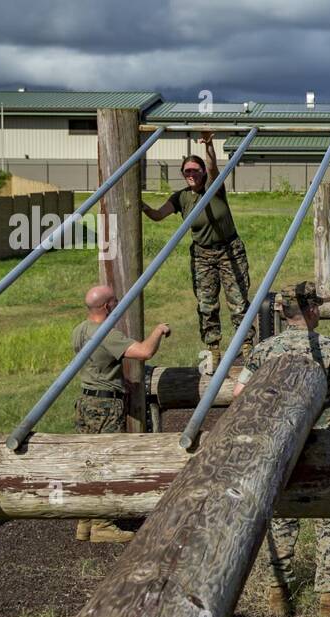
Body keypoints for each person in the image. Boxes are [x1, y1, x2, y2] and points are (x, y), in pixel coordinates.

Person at [236, 282, 330, 617]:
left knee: (281, 513)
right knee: (329, 516)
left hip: (279, 442)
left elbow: (239, 394)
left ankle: (278, 592)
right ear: (310, 311)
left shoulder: (265, 350)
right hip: (323, 442)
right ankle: (328, 599)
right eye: (316, 307)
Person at [142, 131, 252, 364]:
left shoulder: (214, 187)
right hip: (202, 254)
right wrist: (139, 205)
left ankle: (246, 345)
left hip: (229, 250)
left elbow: (213, 167)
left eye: (195, 170)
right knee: (206, 303)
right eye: (187, 171)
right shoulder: (180, 198)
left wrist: (209, 144)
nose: (191, 174)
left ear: (202, 172)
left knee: (238, 300)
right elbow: (158, 215)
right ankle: (213, 348)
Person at [72, 285, 170, 543]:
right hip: (106, 407)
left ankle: (85, 521)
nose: (117, 305)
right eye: (115, 301)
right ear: (106, 306)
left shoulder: (79, 331)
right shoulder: (107, 335)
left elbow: (97, 364)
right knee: (106, 462)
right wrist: (158, 331)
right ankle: (103, 525)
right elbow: (145, 351)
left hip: (85, 401)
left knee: (87, 461)